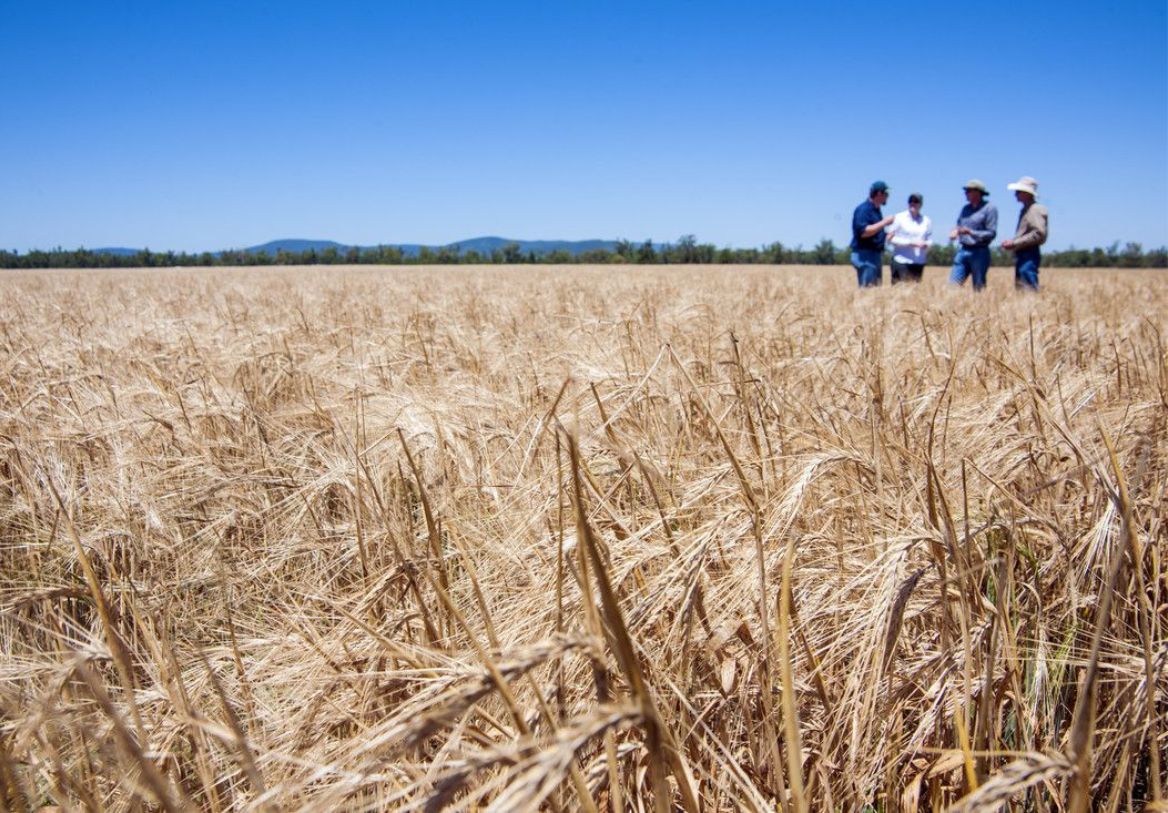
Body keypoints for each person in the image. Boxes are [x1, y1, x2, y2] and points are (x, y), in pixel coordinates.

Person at [948, 179, 998, 291]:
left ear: (978, 192)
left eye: (968, 191)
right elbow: (959, 225)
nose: (965, 193)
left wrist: (971, 232)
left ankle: (980, 308)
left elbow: (991, 233)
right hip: (963, 250)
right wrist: (954, 232)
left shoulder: (990, 208)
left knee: (978, 288)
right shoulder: (965, 209)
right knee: (952, 286)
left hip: (980, 251)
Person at [1001, 176, 1048, 291]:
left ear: (1026, 193)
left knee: (1028, 287)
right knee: (1022, 286)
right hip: (1023, 252)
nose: (1015, 195)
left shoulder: (1035, 209)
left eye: (1018, 192)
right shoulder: (1026, 209)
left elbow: (1039, 233)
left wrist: (1014, 243)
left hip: (1029, 252)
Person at [850, 180, 896, 287]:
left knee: (875, 291)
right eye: (886, 194)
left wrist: (886, 236)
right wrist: (884, 222)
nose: (887, 197)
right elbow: (863, 232)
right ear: (879, 194)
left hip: (874, 255)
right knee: (868, 291)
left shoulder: (876, 210)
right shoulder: (864, 209)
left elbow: (874, 232)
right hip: (865, 255)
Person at [886, 193, 932, 283]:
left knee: (914, 294)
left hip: (918, 262)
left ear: (921, 204)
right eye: (910, 201)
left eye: (916, 201)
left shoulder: (927, 221)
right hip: (901, 261)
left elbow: (929, 240)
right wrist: (910, 242)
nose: (913, 204)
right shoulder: (899, 218)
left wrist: (926, 245)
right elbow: (889, 239)